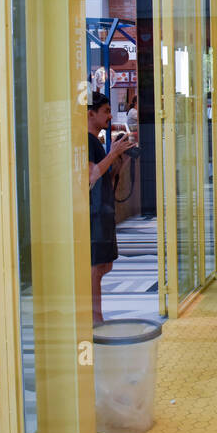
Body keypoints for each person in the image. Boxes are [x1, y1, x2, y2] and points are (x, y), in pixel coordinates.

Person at [88, 92, 134, 324]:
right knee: (95, 269)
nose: (110, 116)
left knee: (105, 264)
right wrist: (113, 153)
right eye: (106, 111)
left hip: (103, 210)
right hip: (93, 213)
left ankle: (95, 316)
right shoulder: (86, 141)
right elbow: (91, 175)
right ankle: (96, 319)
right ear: (90, 113)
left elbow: (106, 175)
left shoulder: (97, 141)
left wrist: (122, 159)